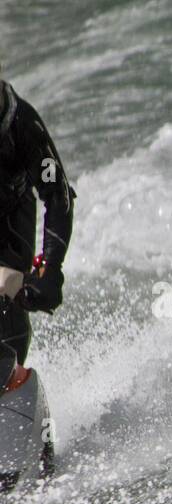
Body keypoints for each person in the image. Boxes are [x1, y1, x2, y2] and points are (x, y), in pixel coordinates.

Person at [0, 64, 75, 367]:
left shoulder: (23, 125)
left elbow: (57, 195)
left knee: (7, 305)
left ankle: (10, 383)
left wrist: (51, 267)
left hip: (10, 221)